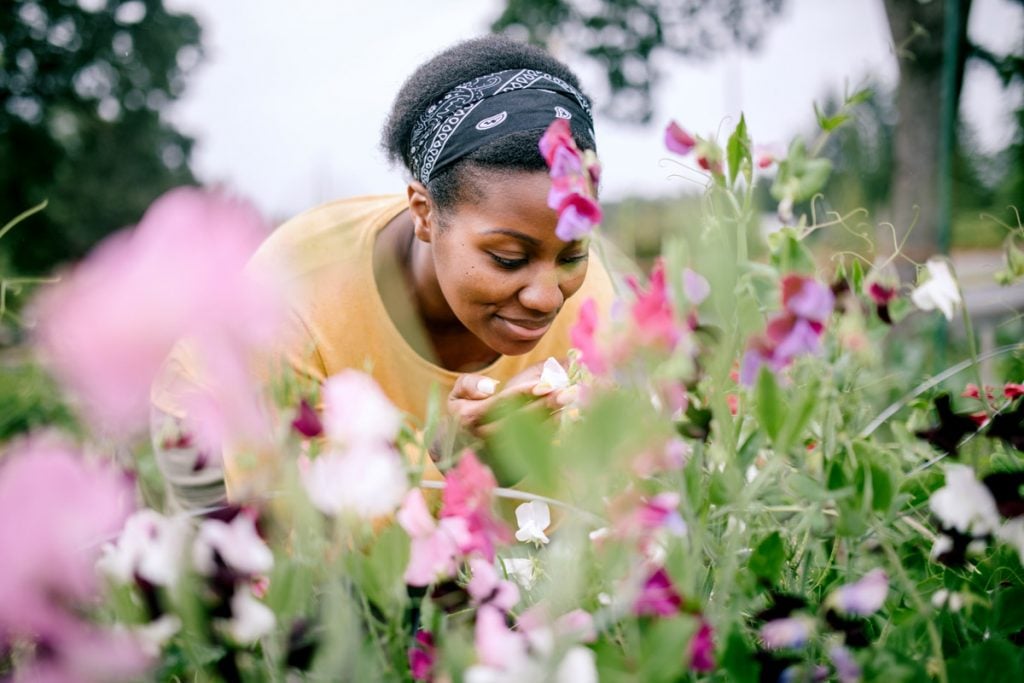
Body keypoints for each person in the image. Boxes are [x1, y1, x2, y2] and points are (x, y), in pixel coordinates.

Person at [150, 35, 615, 510]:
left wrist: (502, 461)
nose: (547, 298)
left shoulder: (593, 308)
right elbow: (299, 523)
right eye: (509, 258)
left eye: (571, 257)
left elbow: (592, 499)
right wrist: (448, 463)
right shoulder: (292, 288)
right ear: (423, 212)